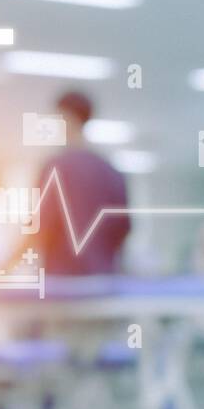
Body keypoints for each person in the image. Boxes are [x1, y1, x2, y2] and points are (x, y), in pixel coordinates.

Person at [27, 92, 130, 275]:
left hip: (63, 281)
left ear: (66, 118)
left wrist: (4, 267)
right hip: (103, 280)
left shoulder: (56, 167)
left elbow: (38, 228)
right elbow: (124, 229)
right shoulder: (111, 171)